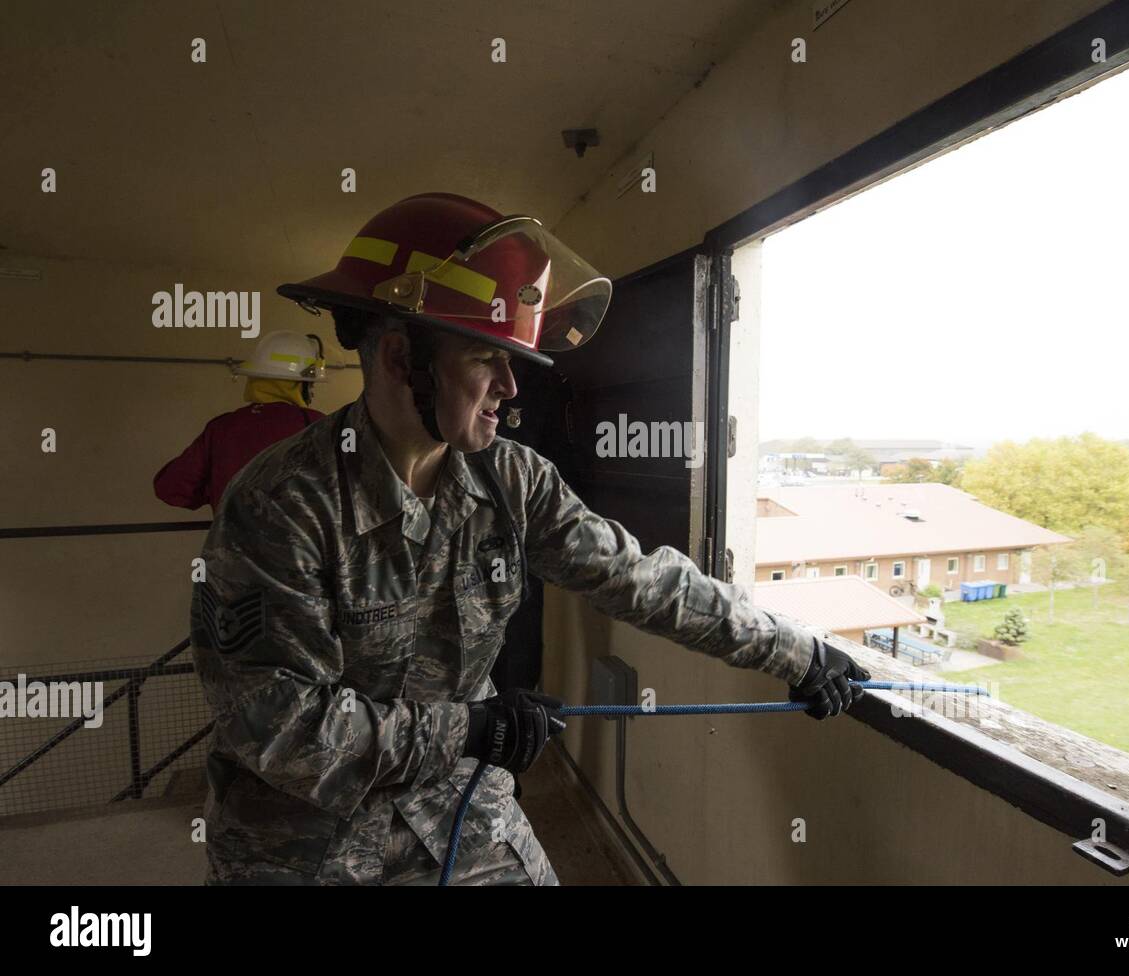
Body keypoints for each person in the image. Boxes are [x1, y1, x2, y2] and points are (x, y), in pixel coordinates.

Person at [190, 192, 870, 886]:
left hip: (452, 800)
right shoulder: (280, 505)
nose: (511, 387)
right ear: (400, 358)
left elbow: (635, 578)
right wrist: (473, 729)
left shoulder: (513, 480)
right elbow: (276, 726)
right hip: (300, 838)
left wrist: (797, 651)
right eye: (487, 358)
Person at [153, 331, 327, 511]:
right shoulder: (316, 425)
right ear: (300, 385)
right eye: (310, 384)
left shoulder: (222, 427)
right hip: (298, 538)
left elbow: (171, 488)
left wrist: (217, 488)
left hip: (231, 538)